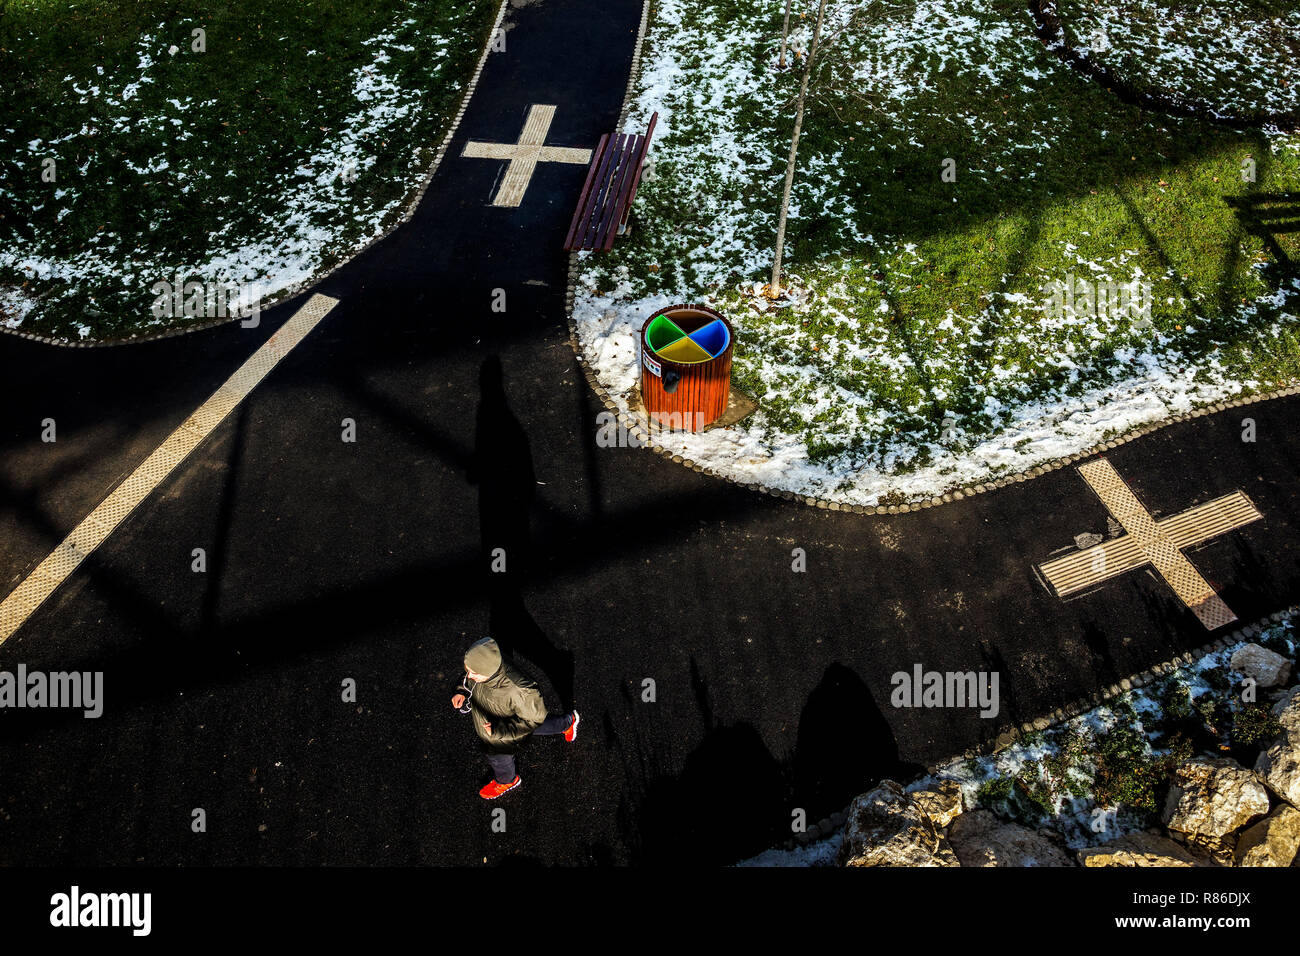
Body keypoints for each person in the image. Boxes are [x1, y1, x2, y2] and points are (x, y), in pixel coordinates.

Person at [451, 637, 579, 799]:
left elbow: (533, 720)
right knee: (534, 726)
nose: (468, 675)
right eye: (467, 670)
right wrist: (461, 690)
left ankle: (507, 781)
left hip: (500, 732)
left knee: (499, 755)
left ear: (488, 671)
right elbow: (468, 678)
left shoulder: (520, 690)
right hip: (501, 716)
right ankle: (566, 723)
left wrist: (499, 730)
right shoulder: (486, 667)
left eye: (473, 673)